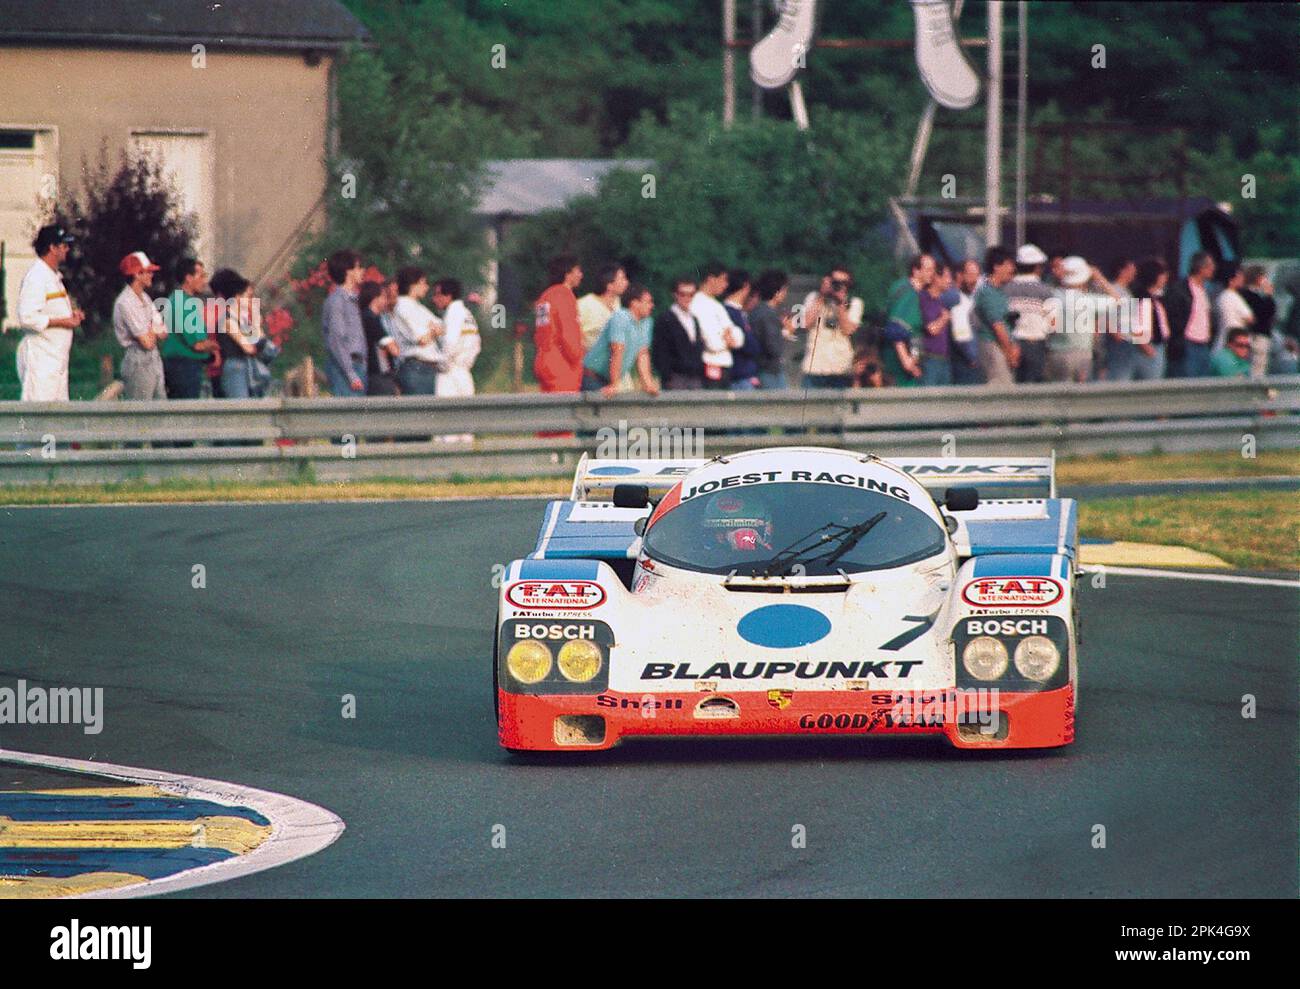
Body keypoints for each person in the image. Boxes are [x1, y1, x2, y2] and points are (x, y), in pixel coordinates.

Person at [14, 224, 83, 401]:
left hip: (57, 360)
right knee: (39, 416)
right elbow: (27, 317)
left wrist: (71, 316)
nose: (67, 249)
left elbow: (52, 310)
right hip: (41, 360)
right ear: (52, 248)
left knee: (58, 419)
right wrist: (64, 322)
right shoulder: (36, 277)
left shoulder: (53, 277)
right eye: (64, 245)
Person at [582, 283, 660, 397]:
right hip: (592, 377)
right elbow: (617, 350)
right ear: (634, 303)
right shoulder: (620, 317)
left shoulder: (647, 322)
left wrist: (647, 384)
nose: (652, 305)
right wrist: (614, 384)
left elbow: (642, 354)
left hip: (607, 378)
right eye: (648, 302)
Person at [112, 251, 167, 400]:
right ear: (136, 274)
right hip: (136, 359)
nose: (151, 275)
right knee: (141, 412)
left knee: (161, 408)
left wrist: (152, 330)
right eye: (147, 272)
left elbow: (163, 332)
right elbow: (147, 342)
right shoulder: (125, 302)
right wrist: (153, 329)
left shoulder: (145, 297)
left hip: (154, 358)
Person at [160, 257, 216, 399]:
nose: (204, 281)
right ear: (188, 278)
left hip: (185, 366)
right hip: (183, 367)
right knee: (186, 414)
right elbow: (197, 344)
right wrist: (217, 345)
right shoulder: (182, 303)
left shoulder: (184, 300)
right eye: (201, 276)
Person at [800, 264, 863, 388]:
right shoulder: (813, 298)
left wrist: (840, 304)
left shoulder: (855, 303)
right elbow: (805, 324)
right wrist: (822, 296)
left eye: (844, 282)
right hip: (814, 368)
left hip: (841, 369)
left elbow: (848, 330)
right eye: (836, 282)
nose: (839, 286)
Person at [210, 268, 270, 398]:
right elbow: (249, 347)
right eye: (248, 297)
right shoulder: (227, 320)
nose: (250, 301)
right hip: (235, 368)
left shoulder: (241, 320)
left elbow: (260, 342)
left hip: (246, 367)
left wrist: (256, 324)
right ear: (237, 297)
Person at [533, 253, 585, 393]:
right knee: (565, 412)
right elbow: (568, 334)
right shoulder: (564, 295)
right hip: (561, 365)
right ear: (567, 274)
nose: (581, 275)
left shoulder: (545, 296)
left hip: (543, 360)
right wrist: (579, 356)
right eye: (578, 271)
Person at [1044, 256, 1100, 383]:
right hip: (1082, 351)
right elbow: (1118, 301)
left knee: (1059, 394)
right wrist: (1098, 277)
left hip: (1057, 351)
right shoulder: (1090, 299)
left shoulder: (1052, 294)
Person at [321, 249, 368, 396]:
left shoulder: (353, 300)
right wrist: (350, 373)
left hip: (358, 366)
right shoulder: (337, 301)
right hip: (345, 368)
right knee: (349, 416)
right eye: (358, 267)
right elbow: (336, 339)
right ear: (348, 271)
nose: (362, 271)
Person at [1005, 244, 1055, 384]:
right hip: (1036, 344)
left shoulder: (1007, 289)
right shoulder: (1045, 290)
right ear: (1037, 267)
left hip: (1012, 344)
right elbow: (1053, 323)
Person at [690, 261, 744, 389]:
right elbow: (711, 343)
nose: (726, 285)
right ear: (711, 279)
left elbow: (738, 337)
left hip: (725, 367)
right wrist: (726, 339)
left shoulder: (717, 306)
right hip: (709, 367)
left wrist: (729, 338)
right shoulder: (696, 304)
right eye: (723, 280)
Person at [391, 266, 444, 396]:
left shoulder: (418, 307)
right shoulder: (402, 306)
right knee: (418, 414)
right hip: (416, 368)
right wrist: (433, 331)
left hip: (428, 368)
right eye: (423, 283)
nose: (426, 287)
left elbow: (442, 326)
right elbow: (421, 339)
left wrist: (433, 331)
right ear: (412, 284)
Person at [971, 246, 1019, 385]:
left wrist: (1014, 346)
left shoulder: (1000, 292)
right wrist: (1009, 352)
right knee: (1000, 388)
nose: (1012, 269)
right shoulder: (987, 293)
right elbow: (997, 326)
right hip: (993, 347)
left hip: (1003, 347)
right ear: (997, 266)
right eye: (1009, 264)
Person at [1164, 251, 1216, 378]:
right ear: (1200, 268)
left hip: (1204, 345)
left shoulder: (1205, 291)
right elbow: (1173, 316)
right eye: (1209, 266)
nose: (1213, 269)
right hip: (1187, 344)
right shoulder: (1180, 289)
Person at [881, 255, 929, 387]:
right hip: (899, 366)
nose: (932, 274)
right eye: (928, 270)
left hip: (909, 362)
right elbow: (897, 328)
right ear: (916, 270)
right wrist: (907, 361)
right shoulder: (907, 292)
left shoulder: (917, 293)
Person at [651, 276, 705, 390]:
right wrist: (667, 376)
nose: (687, 298)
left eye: (691, 294)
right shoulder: (665, 319)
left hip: (695, 378)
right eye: (683, 294)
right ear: (675, 294)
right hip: (675, 379)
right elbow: (659, 351)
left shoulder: (694, 319)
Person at [431, 278, 480, 400]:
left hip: (449, 375)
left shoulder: (453, 313)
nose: (434, 299)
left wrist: (441, 365)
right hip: (465, 374)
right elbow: (477, 344)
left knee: (444, 416)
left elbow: (450, 343)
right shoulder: (467, 314)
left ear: (448, 296)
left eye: (437, 295)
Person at [1125, 257, 1172, 381]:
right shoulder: (1143, 299)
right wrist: (1147, 348)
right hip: (1149, 348)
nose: (1165, 278)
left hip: (1158, 347)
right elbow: (1135, 326)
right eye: (1162, 274)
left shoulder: (1155, 298)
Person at [749, 269, 790, 390]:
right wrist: (786, 332)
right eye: (784, 290)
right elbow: (773, 348)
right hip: (770, 373)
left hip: (761, 369)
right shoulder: (768, 314)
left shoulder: (757, 311)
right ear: (777, 292)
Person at [358, 281, 400, 396]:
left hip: (375, 375)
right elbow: (394, 350)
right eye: (384, 297)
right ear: (375, 298)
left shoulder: (367, 317)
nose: (386, 301)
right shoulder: (371, 318)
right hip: (378, 375)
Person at [918, 263, 956, 385]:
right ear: (936, 278)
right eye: (947, 277)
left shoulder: (944, 301)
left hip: (945, 360)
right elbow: (932, 329)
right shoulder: (924, 299)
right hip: (930, 360)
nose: (950, 281)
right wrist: (945, 317)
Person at [723, 269, 761, 390]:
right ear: (746, 286)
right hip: (739, 377)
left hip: (746, 376)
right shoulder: (730, 312)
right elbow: (749, 345)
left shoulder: (740, 313)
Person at [1239, 265, 1279, 377]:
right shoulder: (1249, 295)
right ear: (1258, 278)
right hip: (1257, 336)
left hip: (1261, 336)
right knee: (1258, 366)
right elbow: (1263, 313)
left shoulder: (1254, 295)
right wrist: (1268, 296)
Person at [948, 259, 984, 384]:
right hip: (965, 362)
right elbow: (960, 334)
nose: (974, 280)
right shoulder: (957, 299)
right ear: (959, 275)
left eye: (977, 276)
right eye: (970, 275)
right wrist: (972, 358)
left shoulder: (973, 298)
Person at [576, 263, 627, 351]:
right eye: (622, 279)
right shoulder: (585, 304)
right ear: (609, 285)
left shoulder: (616, 302)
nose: (626, 282)